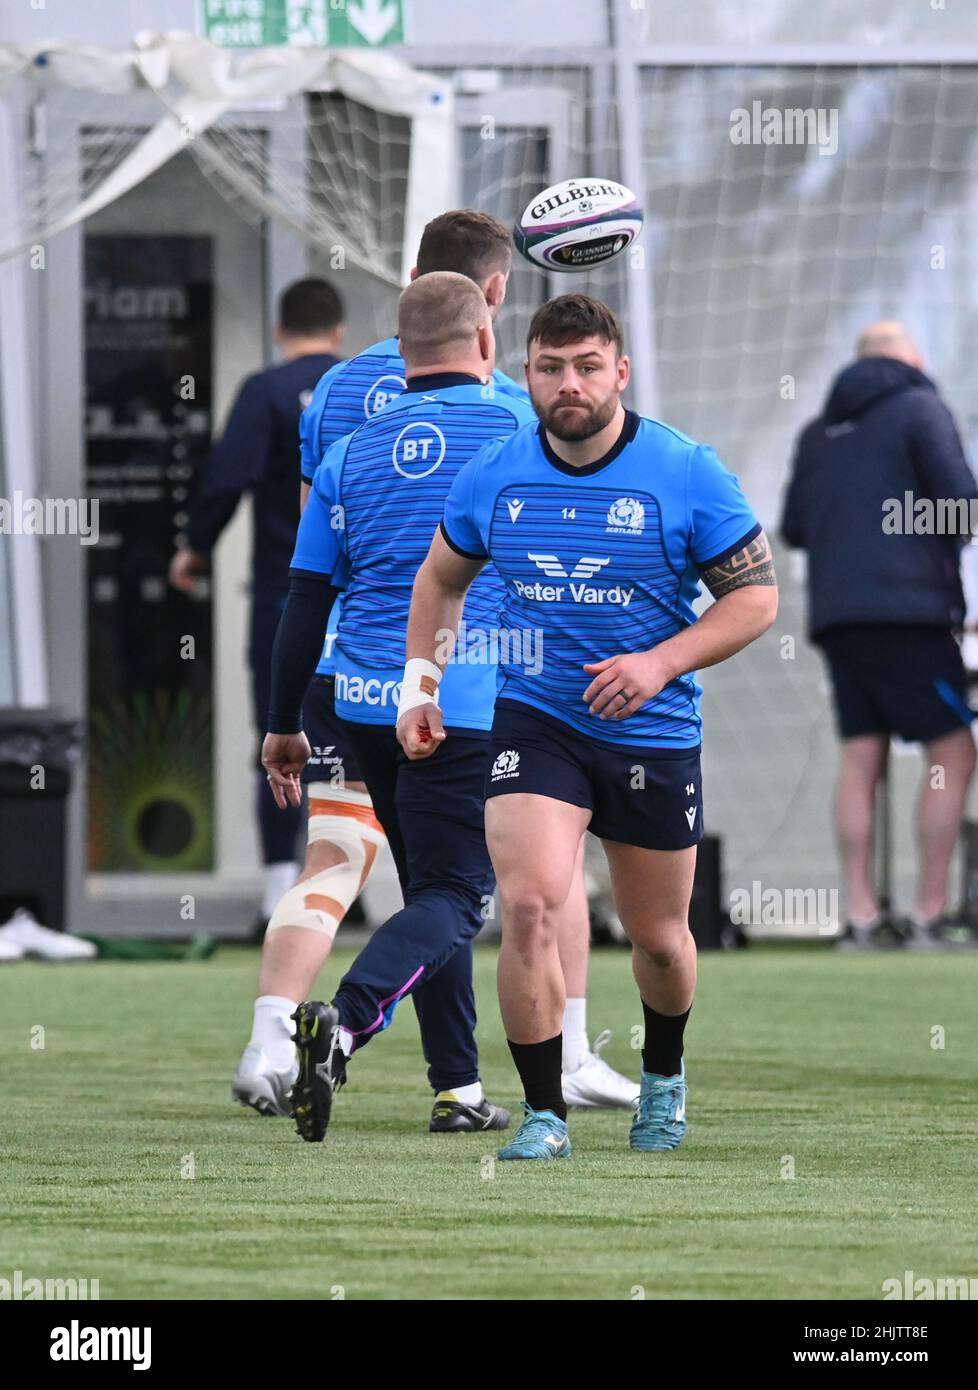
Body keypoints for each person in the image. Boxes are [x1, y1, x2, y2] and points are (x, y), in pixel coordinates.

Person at [241, 209, 638, 1131]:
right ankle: (340, 1024)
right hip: (470, 695)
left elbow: (304, 597)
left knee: (428, 889)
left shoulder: (348, 448)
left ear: (397, 346)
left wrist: (283, 721)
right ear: (491, 335)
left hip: (358, 697)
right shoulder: (516, 430)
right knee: (462, 897)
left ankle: (458, 1090)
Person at [397, 293, 778, 1161]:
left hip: (651, 733)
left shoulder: (687, 471)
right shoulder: (494, 471)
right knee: (528, 903)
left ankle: (666, 1077)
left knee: (660, 941)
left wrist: (660, 664)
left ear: (620, 373)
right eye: (550, 367)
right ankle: (543, 1114)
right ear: (524, 373)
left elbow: (756, 599)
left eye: (587, 367)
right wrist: (420, 686)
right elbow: (440, 580)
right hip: (537, 720)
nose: (569, 384)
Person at [781, 321, 978, 951]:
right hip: (911, 617)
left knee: (862, 757)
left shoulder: (817, 431)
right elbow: (962, 504)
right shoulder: (921, 406)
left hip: (838, 618)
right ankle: (928, 915)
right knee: (953, 752)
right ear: (911, 358)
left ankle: (862, 919)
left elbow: (793, 527)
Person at [169, 278, 346, 941]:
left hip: (287, 592)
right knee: (362, 735)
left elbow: (228, 477)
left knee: (281, 732)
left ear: (280, 331)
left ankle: (281, 892)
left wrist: (194, 547)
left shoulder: (266, 392)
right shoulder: (366, 386)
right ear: (338, 332)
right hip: (371, 600)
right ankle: (351, 879)